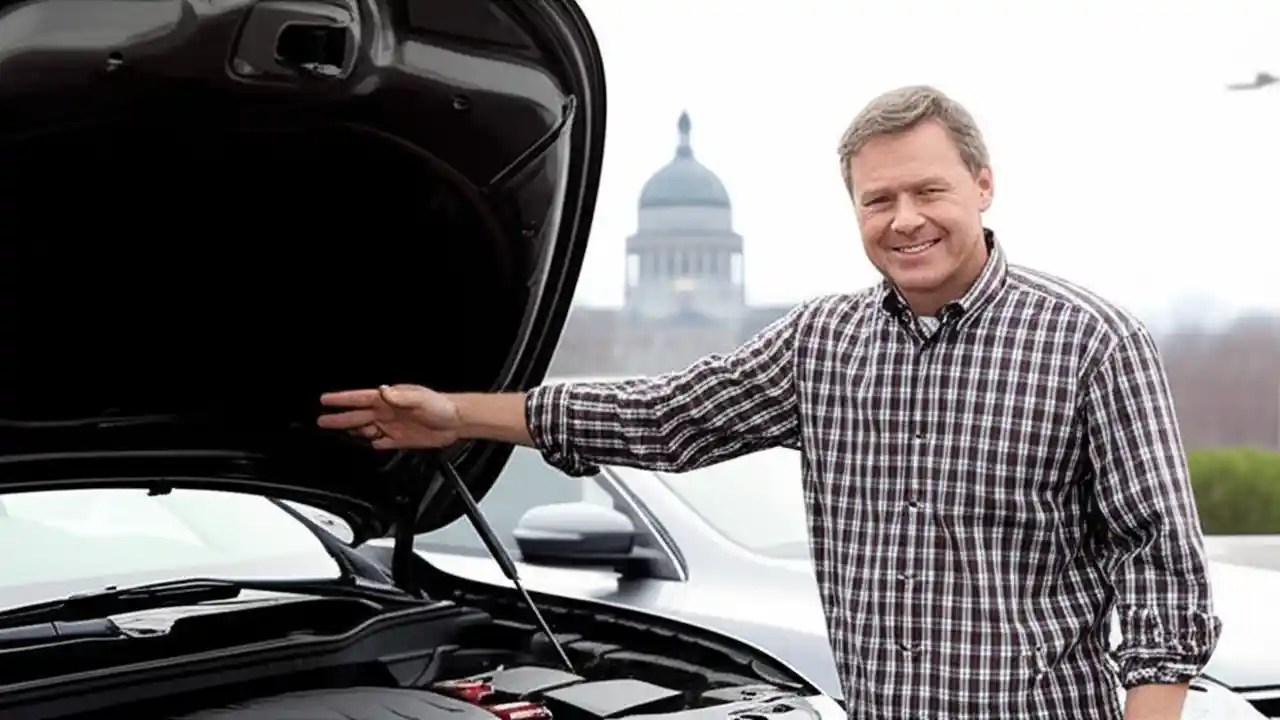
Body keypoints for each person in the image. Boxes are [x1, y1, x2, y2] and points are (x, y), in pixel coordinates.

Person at [317, 85, 1220, 720]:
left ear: (984, 187)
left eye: (929, 190)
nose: (905, 219)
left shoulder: (1092, 341)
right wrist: (457, 415)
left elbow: (1160, 566)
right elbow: (665, 418)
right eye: (879, 200)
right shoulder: (819, 341)